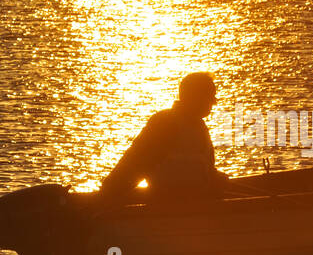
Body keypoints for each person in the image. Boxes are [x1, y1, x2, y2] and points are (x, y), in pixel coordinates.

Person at [97, 72, 232, 204]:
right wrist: (107, 194)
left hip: (197, 202)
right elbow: (134, 164)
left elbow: (203, 169)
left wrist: (217, 178)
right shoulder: (165, 123)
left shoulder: (199, 126)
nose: (215, 102)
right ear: (195, 97)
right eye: (210, 96)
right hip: (167, 205)